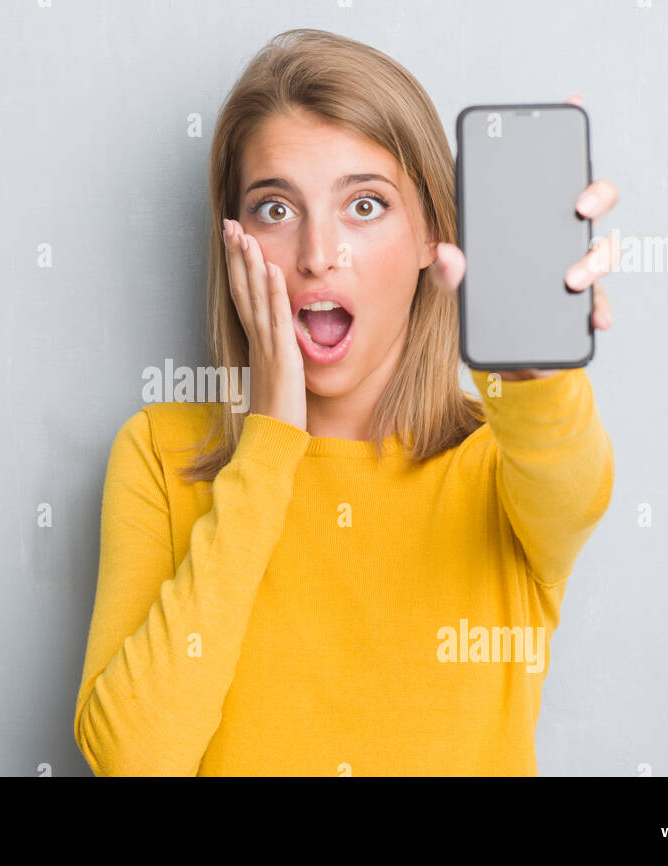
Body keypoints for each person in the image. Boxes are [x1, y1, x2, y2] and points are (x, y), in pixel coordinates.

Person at [74, 28, 618, 776]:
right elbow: (135, 760)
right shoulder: (159, 456)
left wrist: (533, 365)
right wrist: (268, 444)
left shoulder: (500, 466)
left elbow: (574, 483)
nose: (317, 252)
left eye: (365, 205)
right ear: (232, 240)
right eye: (275, 209)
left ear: (433, 232)